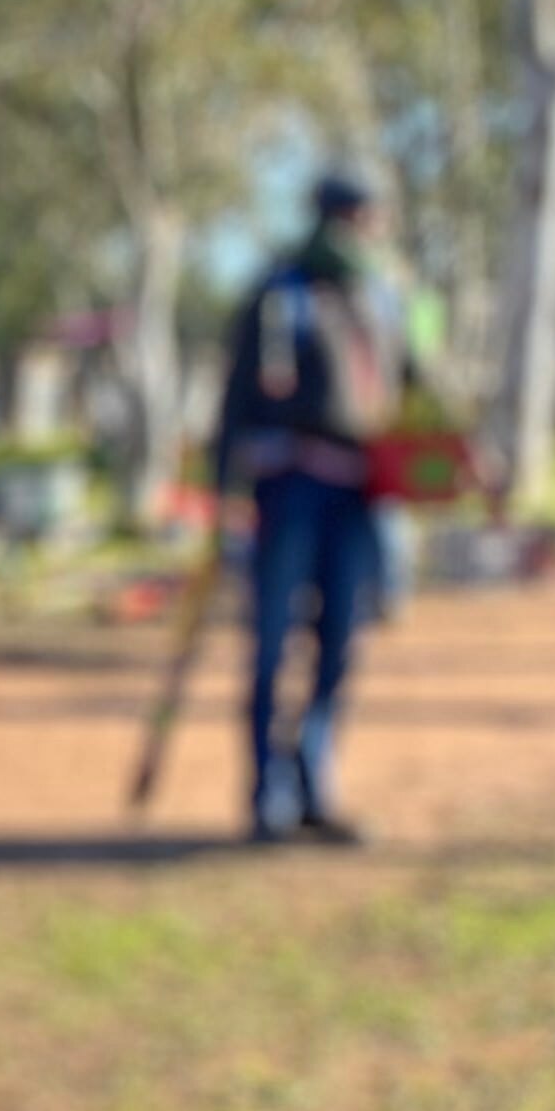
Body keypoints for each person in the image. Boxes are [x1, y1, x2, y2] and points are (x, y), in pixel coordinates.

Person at [213, 173, 405, 844]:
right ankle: (268, 795)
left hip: (360, 496)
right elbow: (236, 399)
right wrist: (226, 492)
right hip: (289, 489)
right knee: (273, 641)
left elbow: (409, 387)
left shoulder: (379, 295)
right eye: (367, 217)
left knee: (340, 643)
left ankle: (313, 784)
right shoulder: (280, 293)